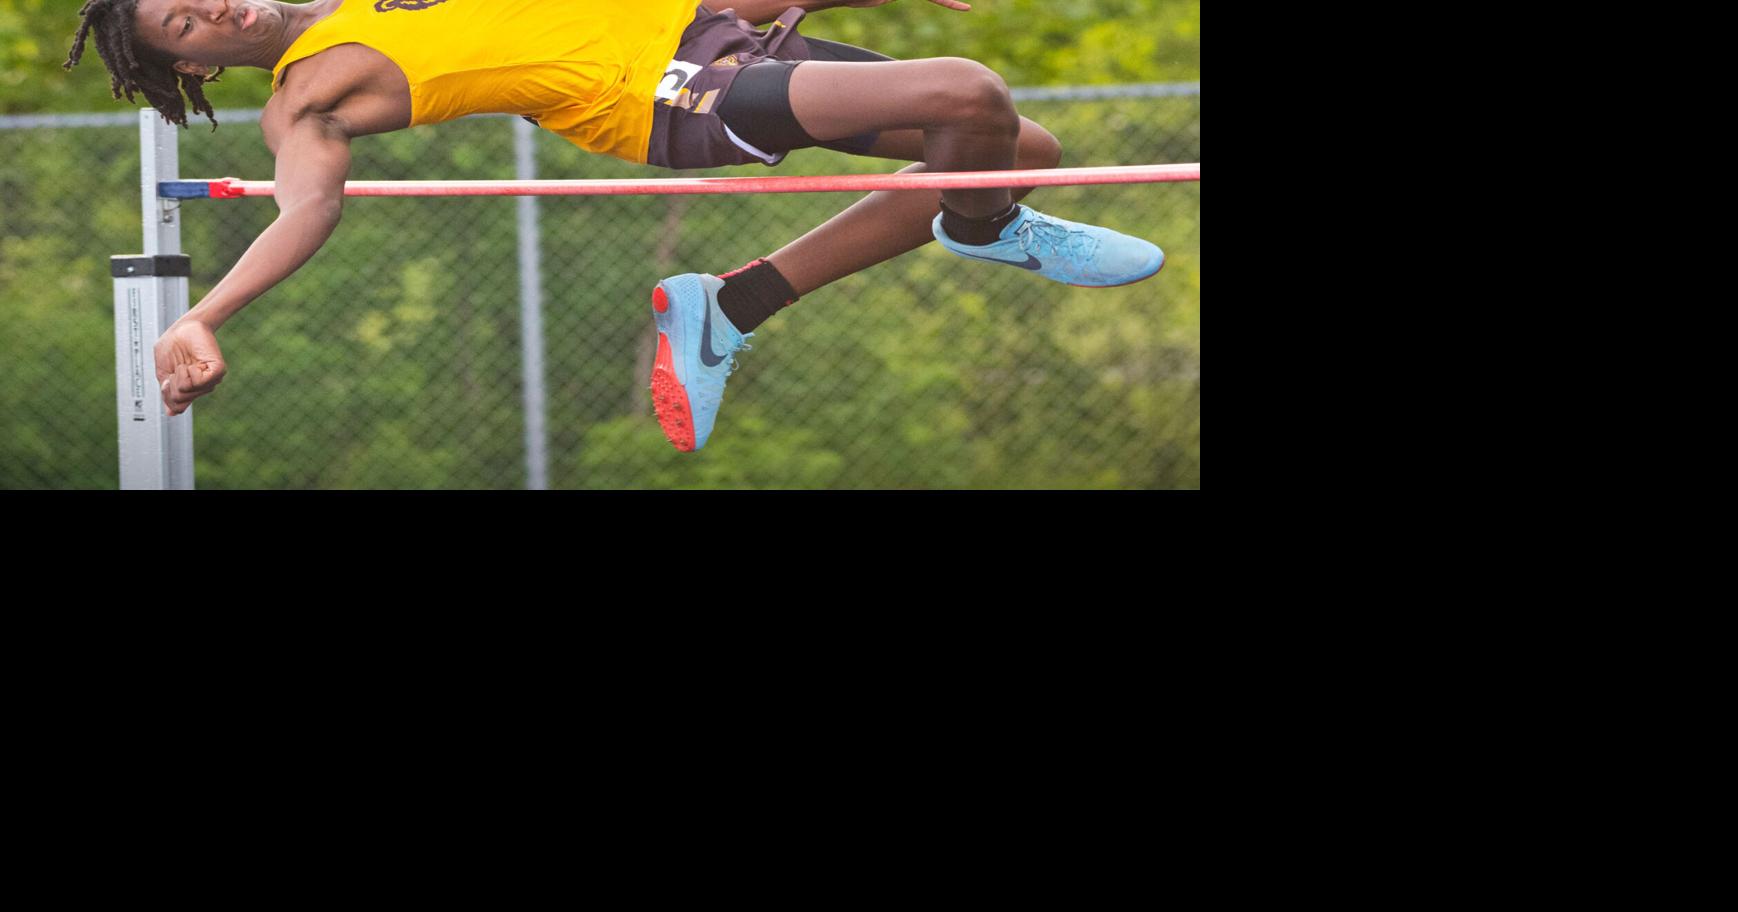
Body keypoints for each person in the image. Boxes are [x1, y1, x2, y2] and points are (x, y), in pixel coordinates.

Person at [67, 0, 1165, 452]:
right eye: (184, 25)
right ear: (192, 67)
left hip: (698, 28)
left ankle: (731, 304)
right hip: (662, 95)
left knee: (1012, 150)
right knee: (967, 95)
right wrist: (206, 314)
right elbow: (307, 203)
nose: (216, 7)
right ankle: (983, 232)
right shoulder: (307, 94)